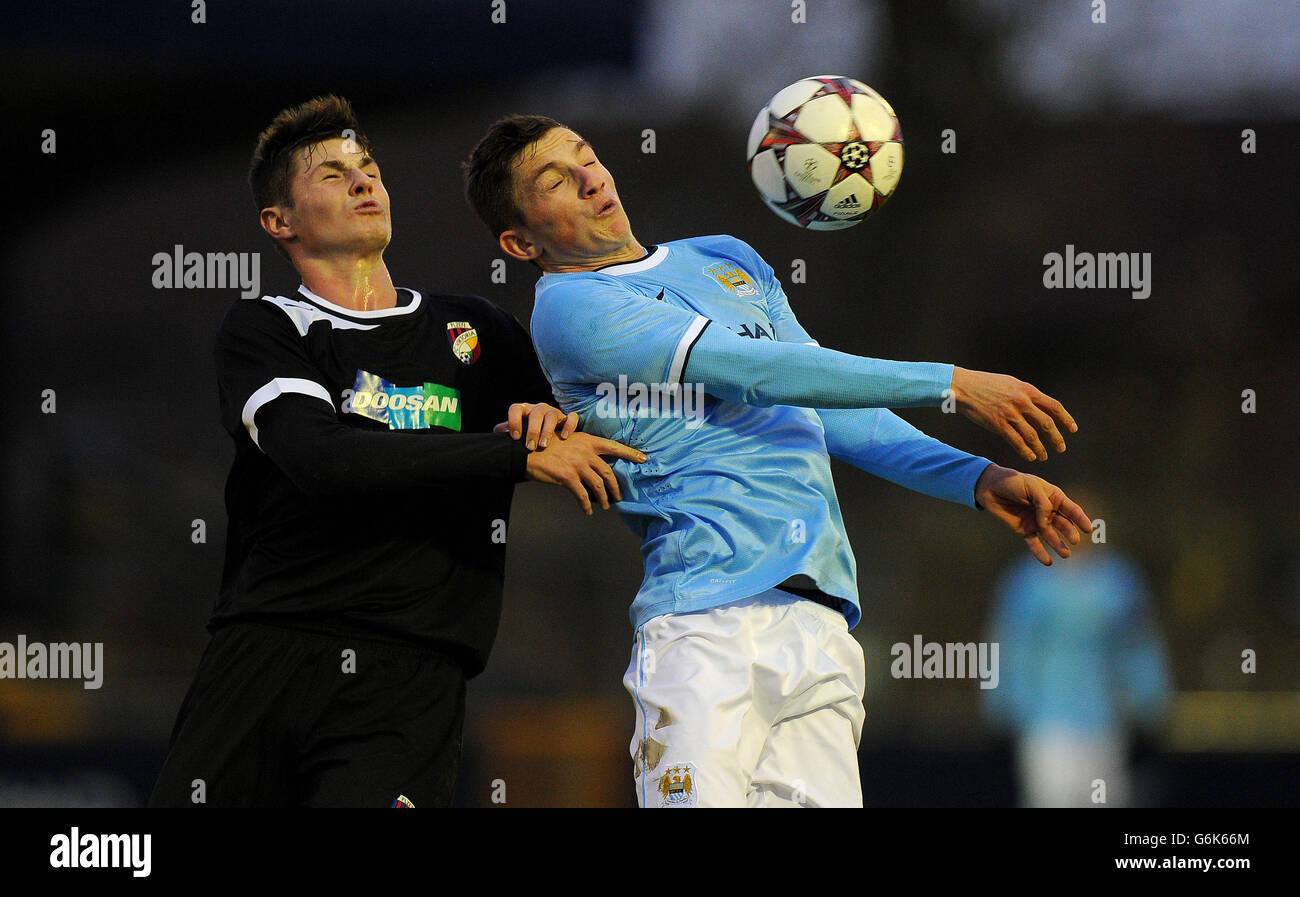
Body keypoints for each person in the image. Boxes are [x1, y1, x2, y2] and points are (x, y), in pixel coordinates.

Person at [462, 115, 1094, 808]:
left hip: (820, 622)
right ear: (519, 241)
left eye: (585, 156)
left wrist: (972, 476)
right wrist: (948, 382)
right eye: (555, 180)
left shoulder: (725, 258)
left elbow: (822, 398)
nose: (589, 177)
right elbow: (755, 371)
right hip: (707, 628)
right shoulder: (574, 307)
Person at [149, 97, 642, 808]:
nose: (362, 181)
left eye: (368, 166)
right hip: (266, 659)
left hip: (410, 687)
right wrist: (508, 458)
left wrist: (552, 419)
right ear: (279, 222)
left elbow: (598, 427)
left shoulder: (477, 331)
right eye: (332, 173)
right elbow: (324, 459)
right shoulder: (268, 328)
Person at [984, 514, 1171, 807]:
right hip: (1047, 726)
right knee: (1052, 798)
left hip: (1105, 722)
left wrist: (1150, 700)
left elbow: (1137, 646)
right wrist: (1006, 703)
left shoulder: (1118, 582)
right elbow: (1013, 648)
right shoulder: (1030, 583)